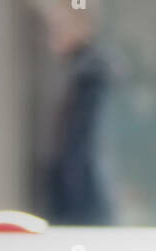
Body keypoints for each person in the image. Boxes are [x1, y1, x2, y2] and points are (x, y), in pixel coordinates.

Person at [36, 0, 113, 225]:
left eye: (59, 27)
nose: (53, 35)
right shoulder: (80, 70)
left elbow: (82, 149)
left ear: (84, 26)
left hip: (83, 202)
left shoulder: (91, 74)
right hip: (77, 198)